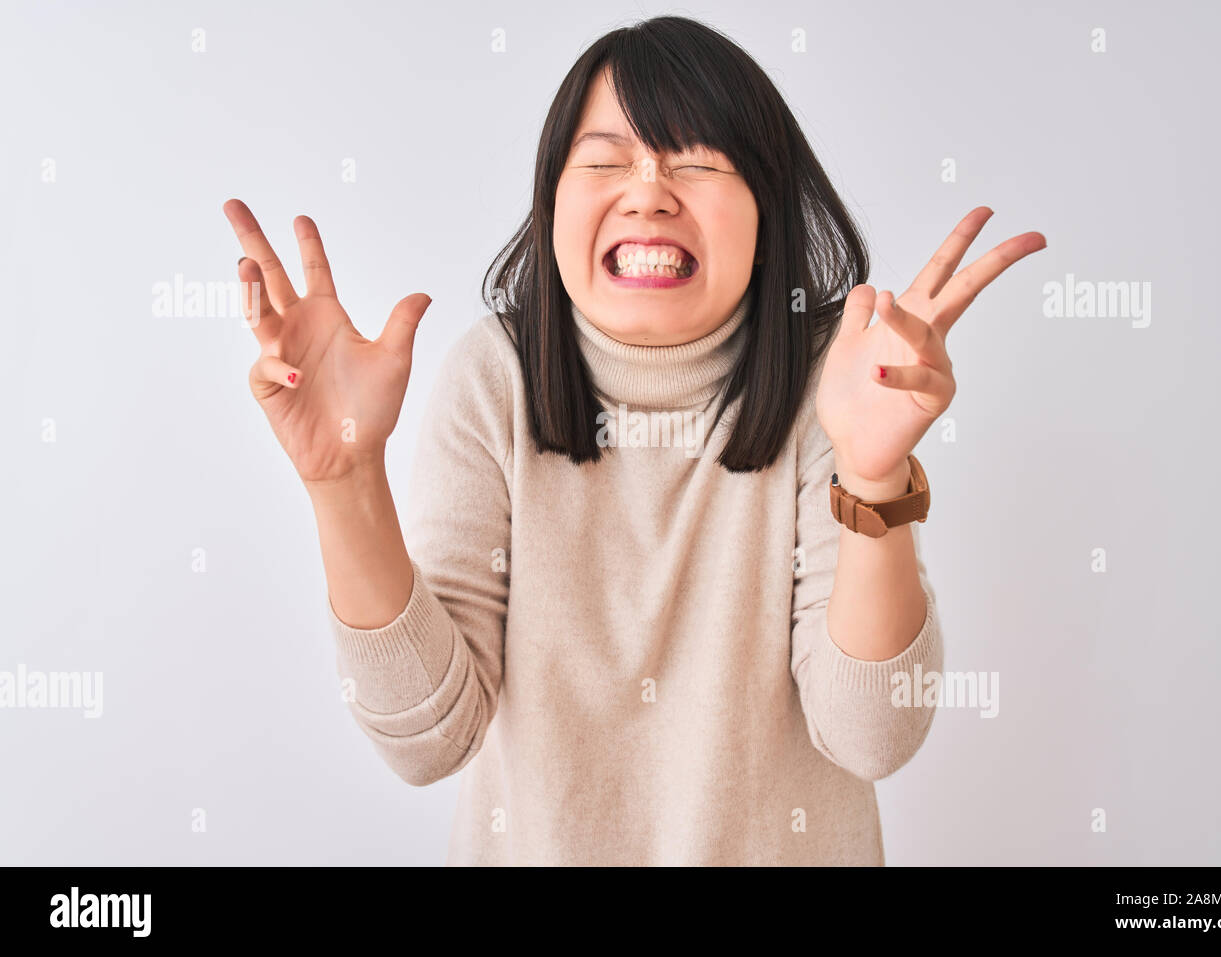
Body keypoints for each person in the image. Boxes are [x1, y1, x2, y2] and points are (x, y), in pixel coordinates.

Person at [222, 15, 1045, 865]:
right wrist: (345, 478)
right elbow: (430, 739)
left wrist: (875, 475)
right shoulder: (492, 381)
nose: (648, 191)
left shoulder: (828, 390)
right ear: (551, 208)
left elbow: (873, 735)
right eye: (607, 160)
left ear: (766, 213)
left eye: (695, 161)